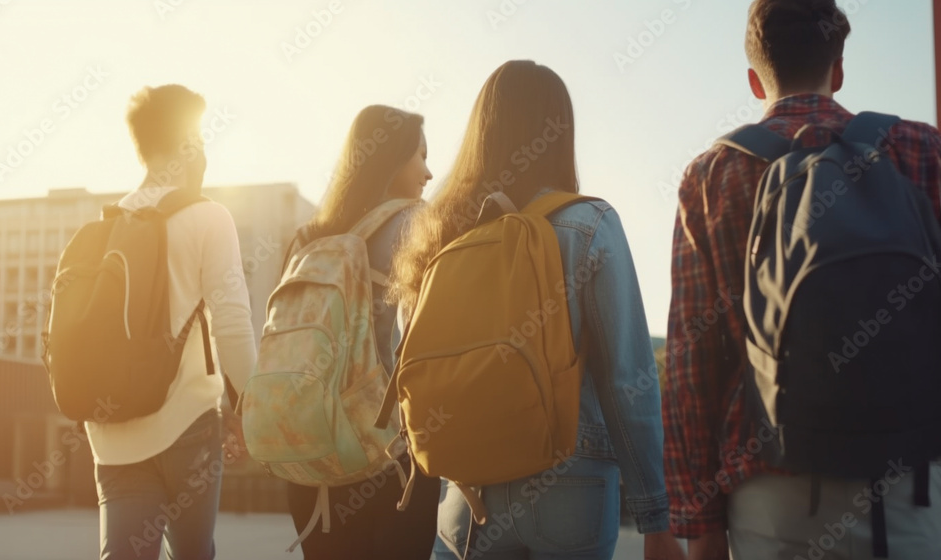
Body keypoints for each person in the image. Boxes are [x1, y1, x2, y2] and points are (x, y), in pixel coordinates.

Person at [663, 1, 941, 558]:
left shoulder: (711, 174)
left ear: (753, 78)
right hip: (911, 483)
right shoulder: (921, 149)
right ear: (839, 69)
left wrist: (699, 524)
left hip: (769, 486)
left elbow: (691, 363)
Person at [389, 60, 685, 560]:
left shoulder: (439, 233)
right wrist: (656, 518)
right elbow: (627, 380)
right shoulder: (589, 222)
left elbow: (412, 359)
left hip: (467, 491)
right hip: (570, 480)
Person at [87, 84, 257, 560]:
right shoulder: (208, 216)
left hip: (113, 429)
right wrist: (252, 411)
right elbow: (233, 325)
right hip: (189, 426)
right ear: (190, 145)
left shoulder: (102, 228)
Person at [283, 104, 441, 560]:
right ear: (392, 160)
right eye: (421, 156)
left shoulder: (308, 237)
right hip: (390, 461)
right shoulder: (417, 224)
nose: (429, 173)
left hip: (313, 458)